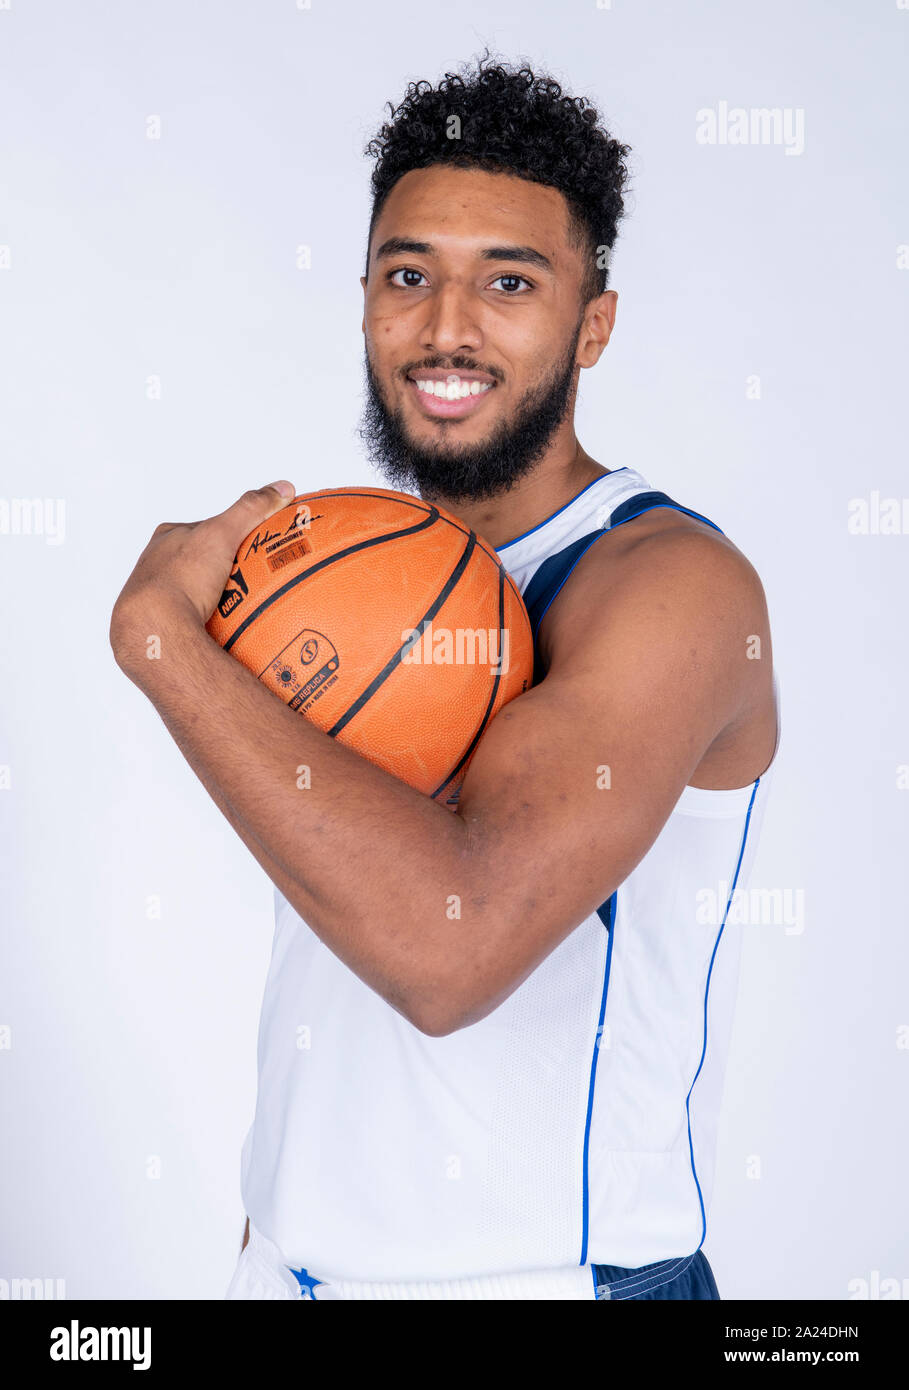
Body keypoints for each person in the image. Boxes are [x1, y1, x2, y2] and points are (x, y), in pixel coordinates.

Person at [110, 55, 779, 1301]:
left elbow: (448, 953)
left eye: (509, 284)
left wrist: (164, 646)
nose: (446, 328)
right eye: (408, 275)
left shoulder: (672, 590)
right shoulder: (356, 570)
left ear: (595, 324)